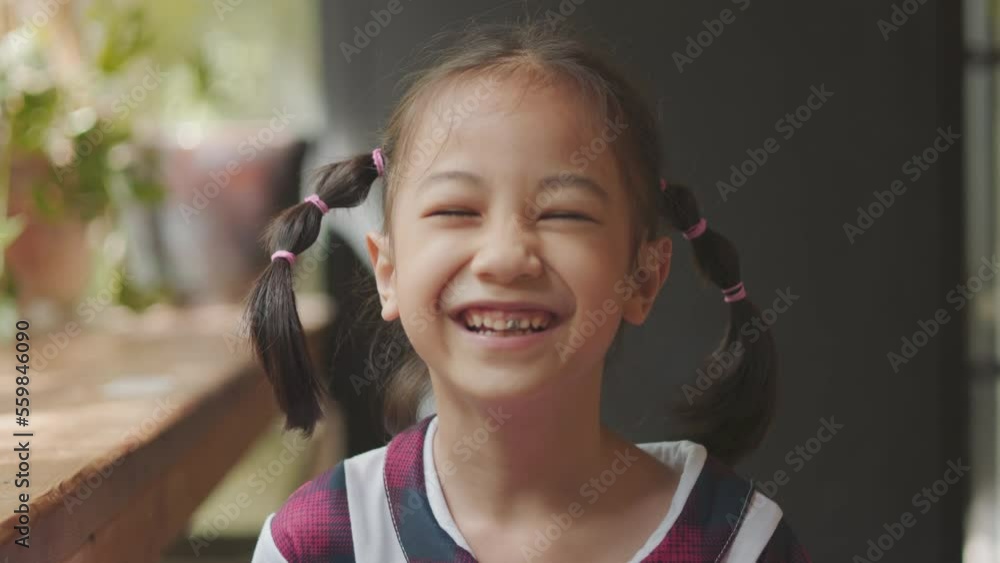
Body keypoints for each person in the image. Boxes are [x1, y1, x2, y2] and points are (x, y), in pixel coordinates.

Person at [246, 19, 810, 563]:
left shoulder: (739, 542)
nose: (507, 257)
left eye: (564, 213)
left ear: (641, 278)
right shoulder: (320, 542)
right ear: (388, 273)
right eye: (456, 210)